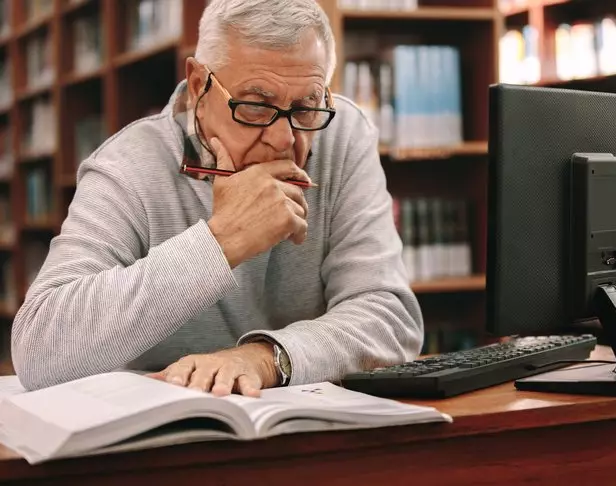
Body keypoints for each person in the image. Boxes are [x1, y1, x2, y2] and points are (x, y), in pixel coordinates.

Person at [10, 0, 423, 396]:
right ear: (197, 87)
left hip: (308, 436)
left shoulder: (342, 135)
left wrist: (266, 359)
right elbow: (39, 350)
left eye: (305, 108)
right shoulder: (128, 166)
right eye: (255, 107)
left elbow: (388, 317)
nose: (283, 138)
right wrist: (221, 241)